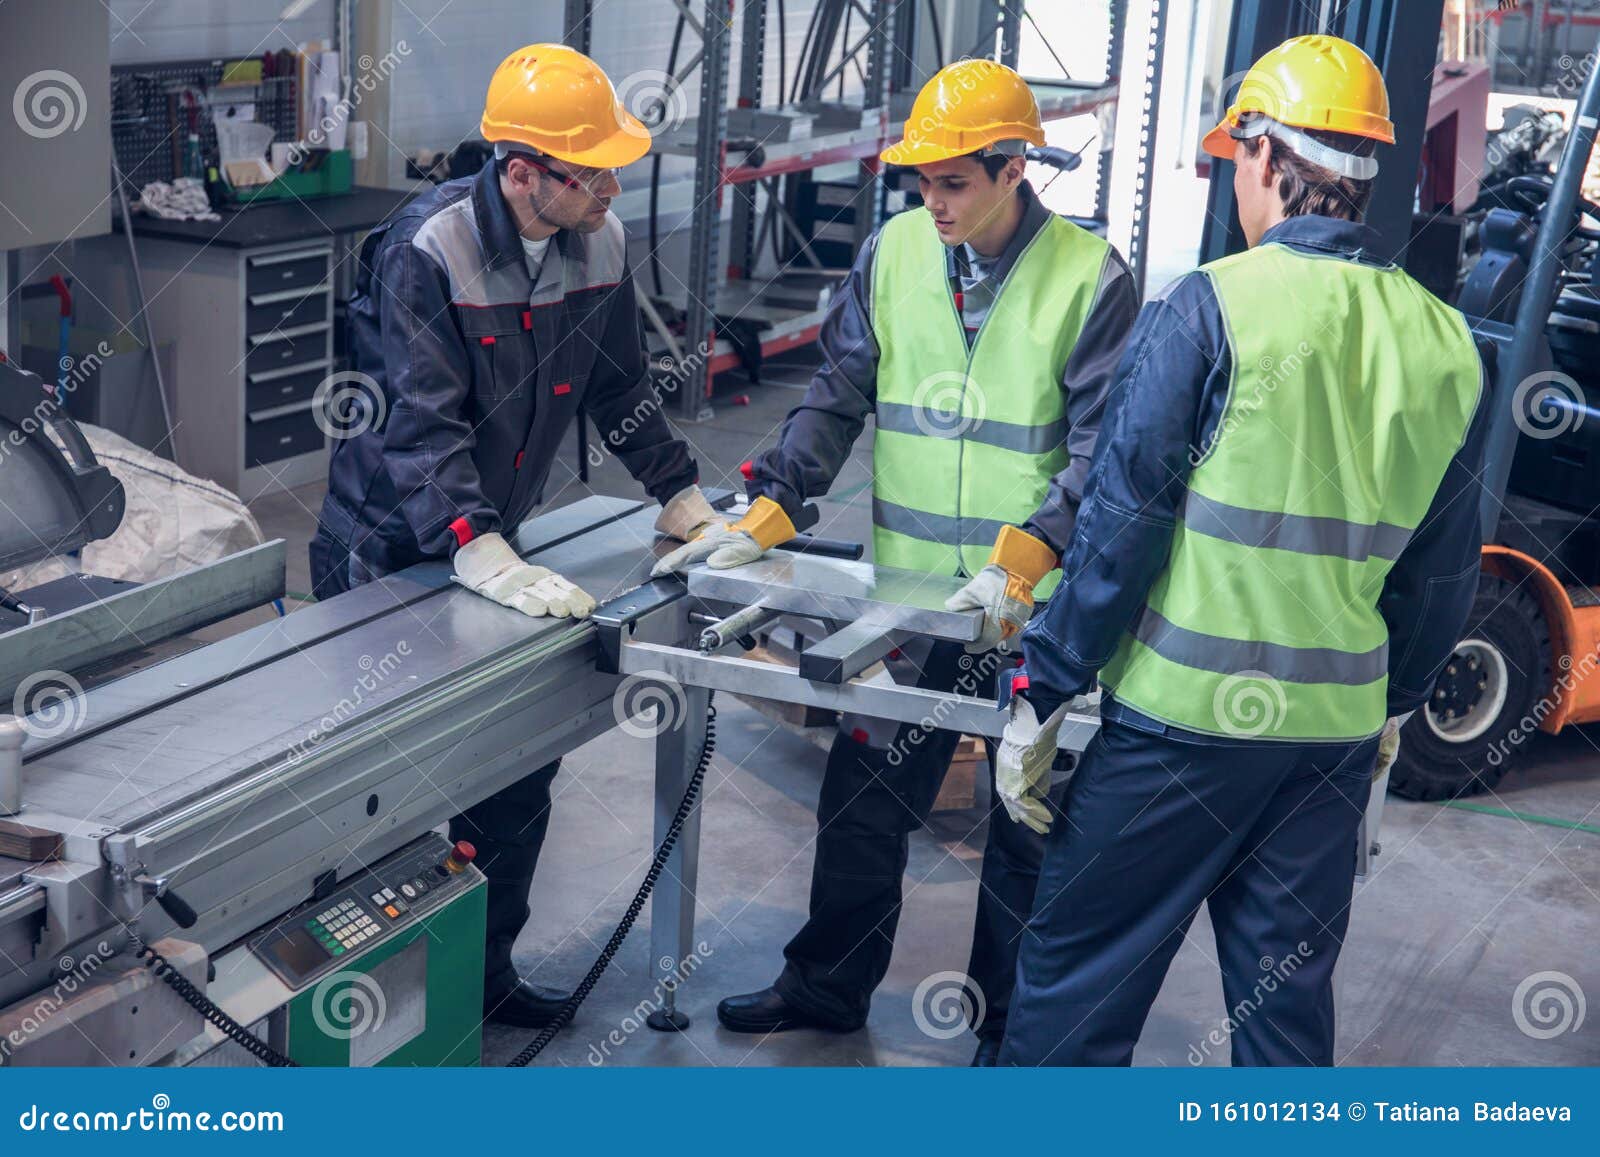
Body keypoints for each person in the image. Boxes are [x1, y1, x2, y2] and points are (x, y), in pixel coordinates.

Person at [995, 35, 1491, 1066]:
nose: (1235, 181)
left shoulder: (1208, 304)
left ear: (1265, 157)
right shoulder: (1446, 341)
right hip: (1328, 742)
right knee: (1281, 1015)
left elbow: (1121, 526)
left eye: (1235, 159)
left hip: (1180, 728)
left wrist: (1046, 679)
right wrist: (1395, 700)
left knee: (1077, 992)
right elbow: (1442, 571)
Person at [654, 59, 1138, 1064]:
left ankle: (1008, 1029)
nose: (933, 200)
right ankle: (829, 985)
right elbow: (837, 391)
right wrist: (775, 502)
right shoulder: (894, 254)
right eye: (922, 180)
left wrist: (1027, 559)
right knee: (865, 795)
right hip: (916, 602)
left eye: (954, 180)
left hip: (1026, 605)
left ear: (1012, 169)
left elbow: (1104, 451)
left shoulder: (1093, 279)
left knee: (1024, 810)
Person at [308, 44, 730, 1028]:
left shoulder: (601, 243)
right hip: (381, 550)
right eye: (593, 170)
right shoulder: (427, 250)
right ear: (523, 169)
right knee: (374, 788)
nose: (613, 188)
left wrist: (680, 495)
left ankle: (483, 978)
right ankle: (362, 1008)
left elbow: (621, 388)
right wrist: (473, 541)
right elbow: (420, 421)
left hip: (493, 541)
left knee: (516, 763)